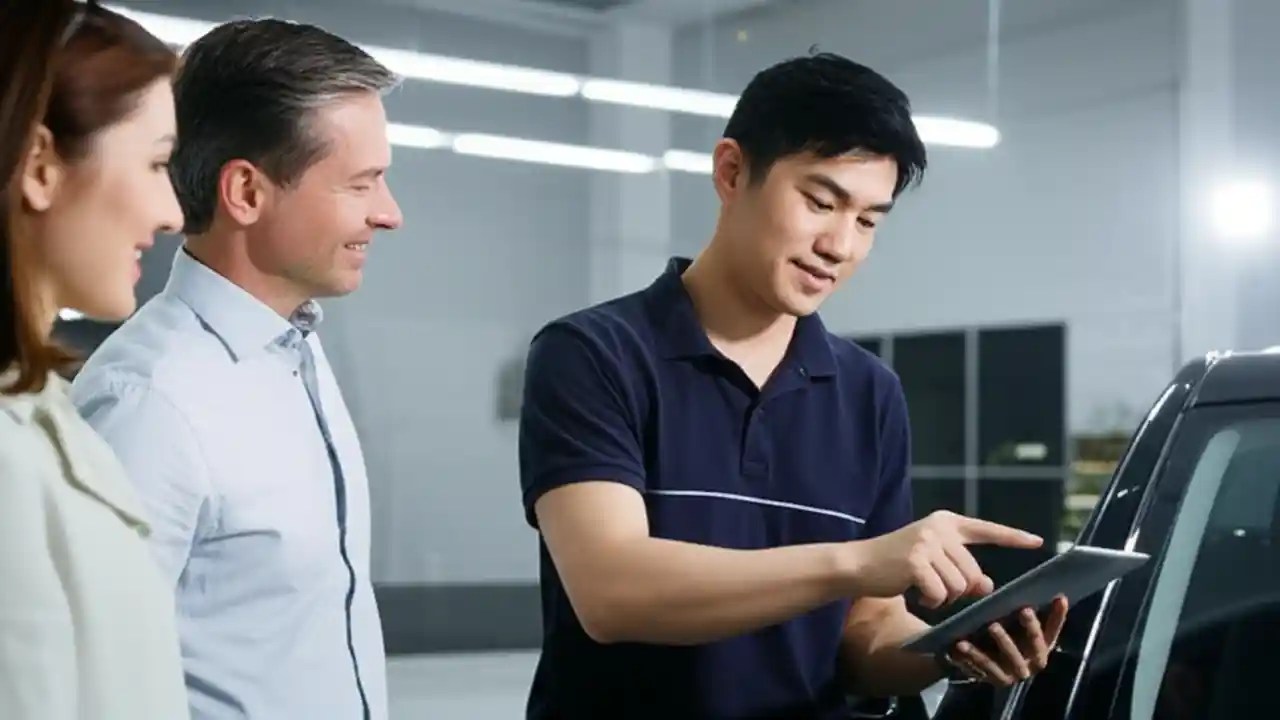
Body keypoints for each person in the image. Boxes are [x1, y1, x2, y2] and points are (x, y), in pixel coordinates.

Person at [517, 52, 1069, 719]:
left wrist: (950, 649)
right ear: (731, 171)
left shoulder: (869, 393)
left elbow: (864, 638)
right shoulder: (595, 355)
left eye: (868, 220)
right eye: (820, 201)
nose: (840, 243)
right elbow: (613, 592)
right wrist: (855, 562)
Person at [69, 18, 403, 720]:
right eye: (361, 183)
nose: (389, 214)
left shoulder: (296, 350)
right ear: (246, 193)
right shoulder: (149, 402)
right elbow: (90, 683)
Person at [0, 2, 189, 718]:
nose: (173, 212)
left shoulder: (45, 417)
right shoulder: (7, 459)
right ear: (42, 165)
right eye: (156, 164)